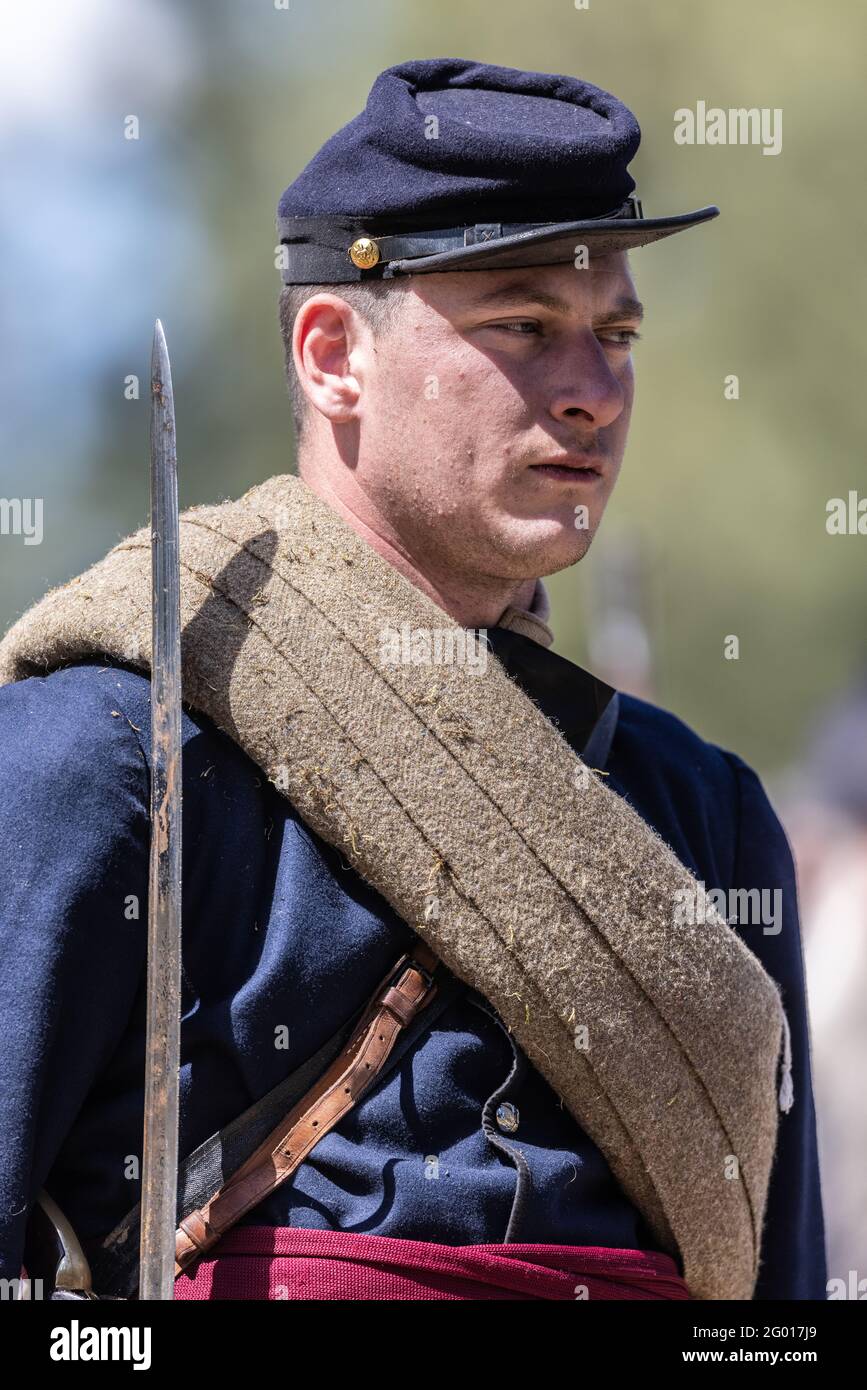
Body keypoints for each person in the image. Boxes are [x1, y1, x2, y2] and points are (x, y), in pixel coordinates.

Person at [0, 57, 825, 1301]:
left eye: (617, 337)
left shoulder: (701, 814)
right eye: (524, 328)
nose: (594, 392)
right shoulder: (107, 758)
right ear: (335, 353)